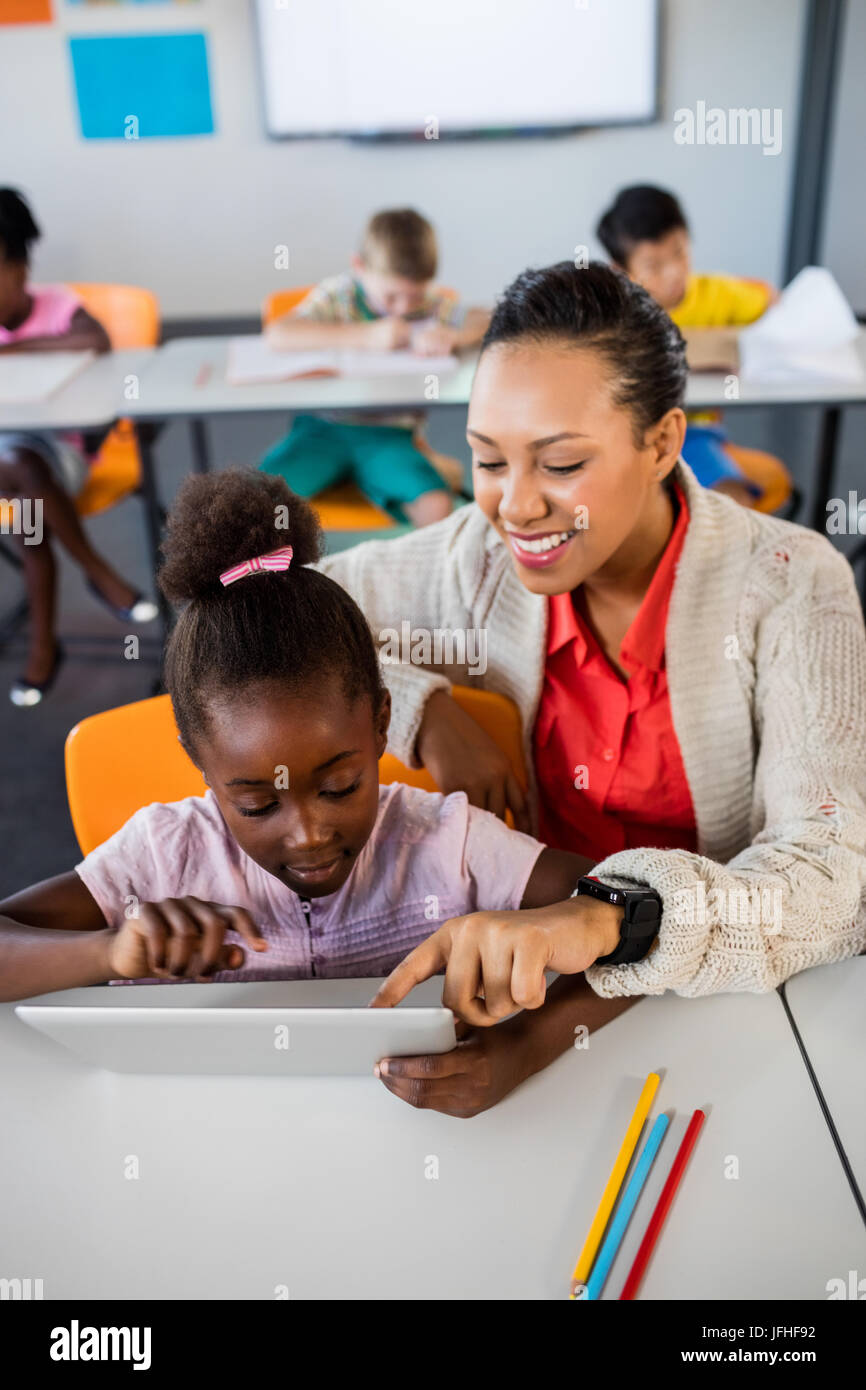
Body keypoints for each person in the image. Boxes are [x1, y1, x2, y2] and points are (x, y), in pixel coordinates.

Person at [320, 261, 866, 1038]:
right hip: (520, 994)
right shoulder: (472, 559)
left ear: (663, 443)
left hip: (734, 1009)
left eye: (563, 464)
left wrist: (609, 917)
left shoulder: (790, 582)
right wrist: (419, 709)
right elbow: (255, 610)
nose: (515, 506)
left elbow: (831, 875)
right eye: (487, 460)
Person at [0, 469, 636, 1118]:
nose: (307, 834)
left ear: (384, 724)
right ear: (196, 759)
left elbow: (646, 915)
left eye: (340, 785)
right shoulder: (161, 858)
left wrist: (523, 1049)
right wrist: (105, 950)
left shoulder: (448, 845)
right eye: (257, 804)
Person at [0, 188, 158, 707]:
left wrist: (17, 347)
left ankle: (44, 647)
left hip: (58, 456)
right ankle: (96, 572)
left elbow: (96, 343)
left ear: (21, 269)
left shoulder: (58, 306)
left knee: (25, 478)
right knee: (23, 482)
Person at [261, 208, 490, 527]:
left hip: (390, 434)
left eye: (414, 295)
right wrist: (364, 336)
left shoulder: (431, 305)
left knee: (436, 504)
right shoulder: (340, 296)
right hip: (322, 428)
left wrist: (453, 334)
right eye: (392, 295)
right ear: (359, 266)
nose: (404, 307)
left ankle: (424, 564)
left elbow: (487, 317)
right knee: (259, 502)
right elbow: (279, 333)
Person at [596, 184, 786, 510]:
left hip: (695, 433)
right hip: (627, 435)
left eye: (680, 253)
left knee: (730, 500)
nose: (674, 272)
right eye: (654, 265)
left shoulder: (716, 293)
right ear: (621, 270)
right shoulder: (613, 309)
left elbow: (774, 302)